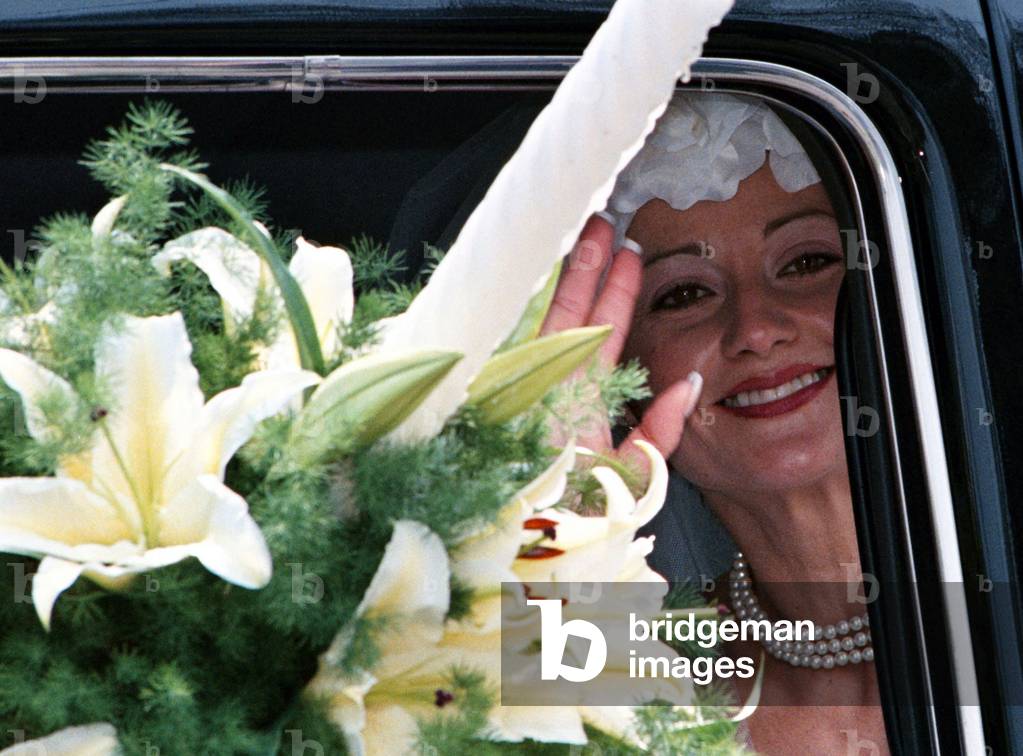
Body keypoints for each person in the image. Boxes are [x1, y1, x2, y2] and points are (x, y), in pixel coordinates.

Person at [539, 91, 889, 754]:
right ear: (624, 379)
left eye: (805, 262)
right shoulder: (633, 668)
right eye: (684, 295)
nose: (755, 329)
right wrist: (560, 531)